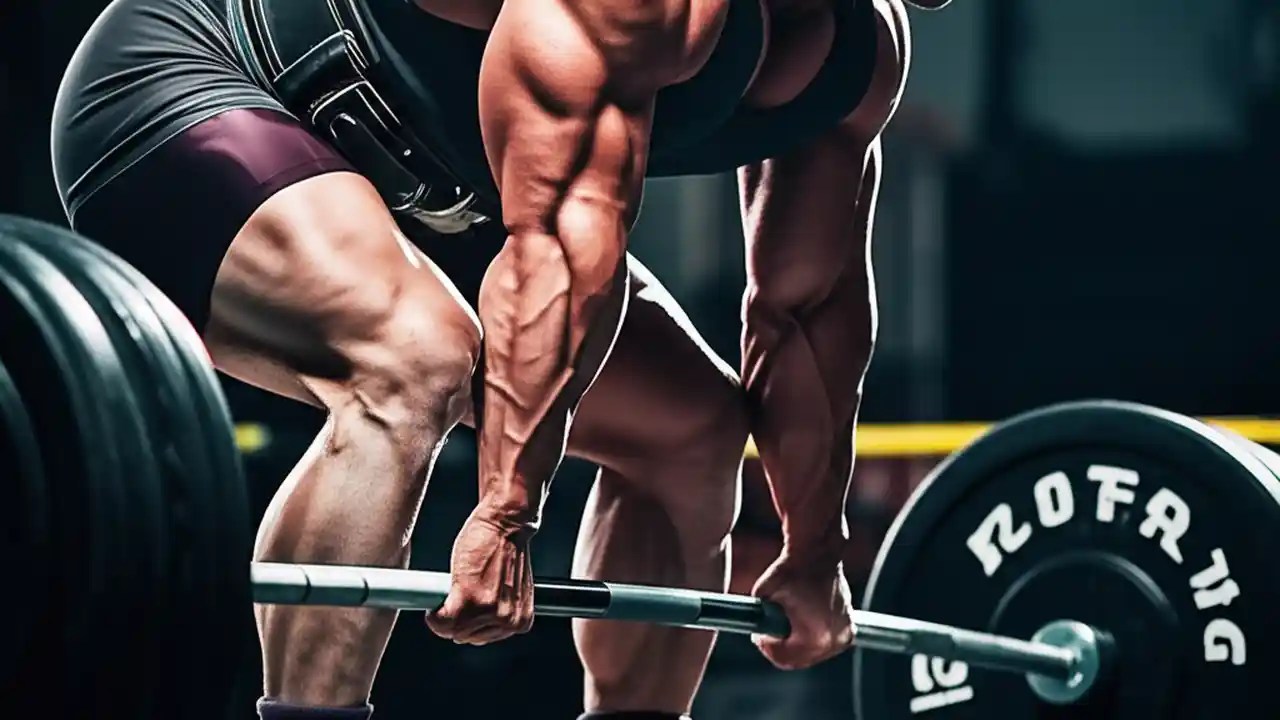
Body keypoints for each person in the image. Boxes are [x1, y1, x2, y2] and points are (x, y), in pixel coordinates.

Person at [51, 0, 945, 717]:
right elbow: (556, 247)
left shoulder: (859, 54)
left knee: (695, 431)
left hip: (437, 197)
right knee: (415, 360)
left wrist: (814, 548)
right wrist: (505, 510)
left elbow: (808, 309)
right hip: (203, 85)